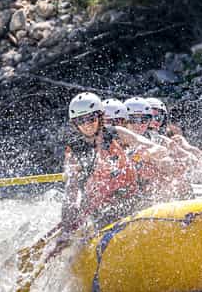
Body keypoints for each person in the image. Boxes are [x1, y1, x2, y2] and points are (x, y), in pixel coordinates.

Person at [62, 93, 165, 233]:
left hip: (131, 198)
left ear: (100, 117)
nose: (86, 125)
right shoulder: (74, 150)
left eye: (90, 119)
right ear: (75, 124)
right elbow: (70, 189)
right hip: (100, 208)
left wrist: (149, 153)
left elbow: (151, 146)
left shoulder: (117, 133)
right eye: (80, 121)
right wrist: (68, 225)